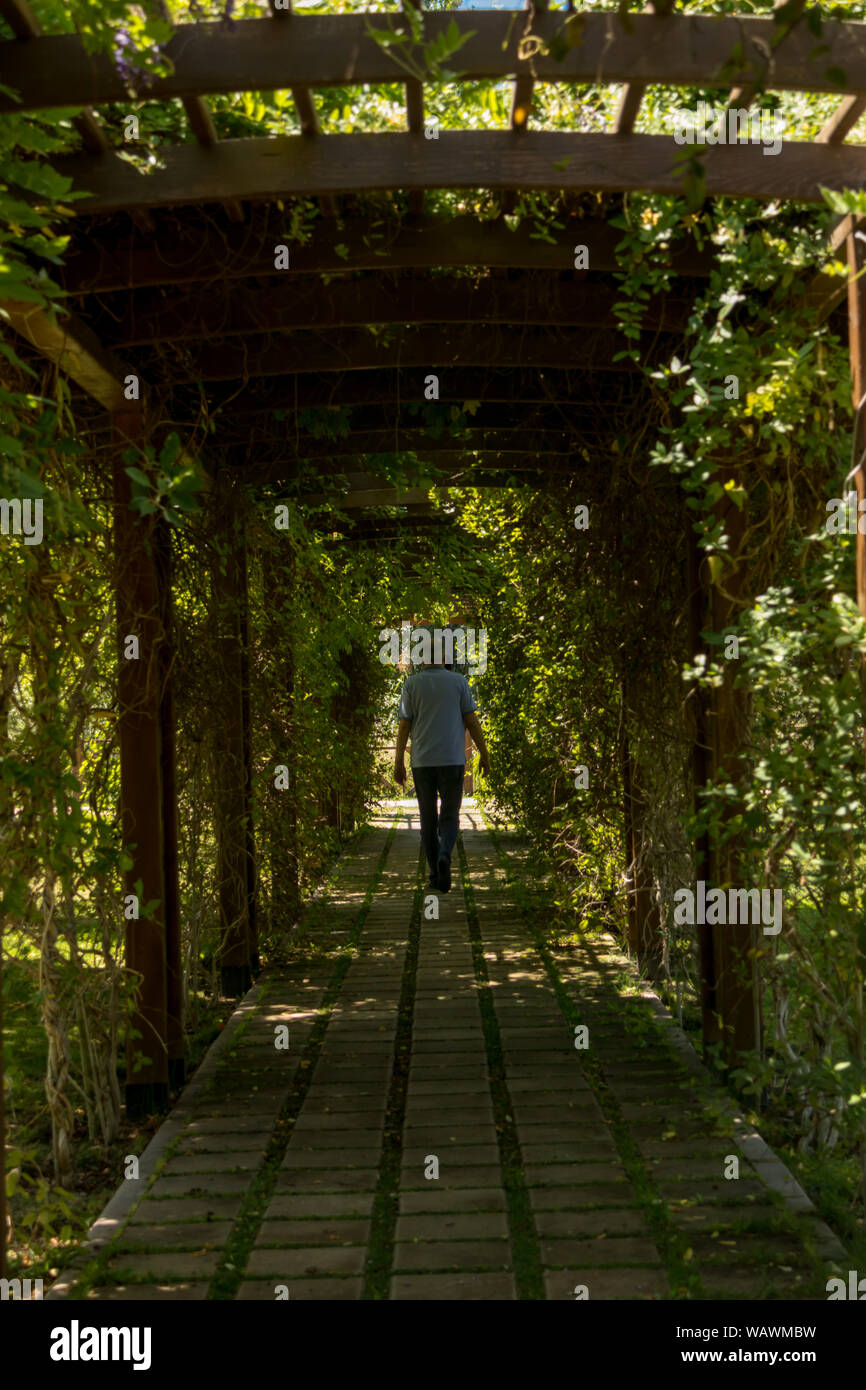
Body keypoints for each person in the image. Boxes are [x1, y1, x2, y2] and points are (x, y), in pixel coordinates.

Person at [393, 649, 490, 893]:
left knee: (427, 819)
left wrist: (398, 762)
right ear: (445, 658)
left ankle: (436, 874)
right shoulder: (459, 682)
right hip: (452, 760)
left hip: (422, 762)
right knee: (449, 815)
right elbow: (472, 721)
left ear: (424, 659)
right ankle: (445, 853)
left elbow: (404, 725)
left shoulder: (411, 685)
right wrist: (485, 754)